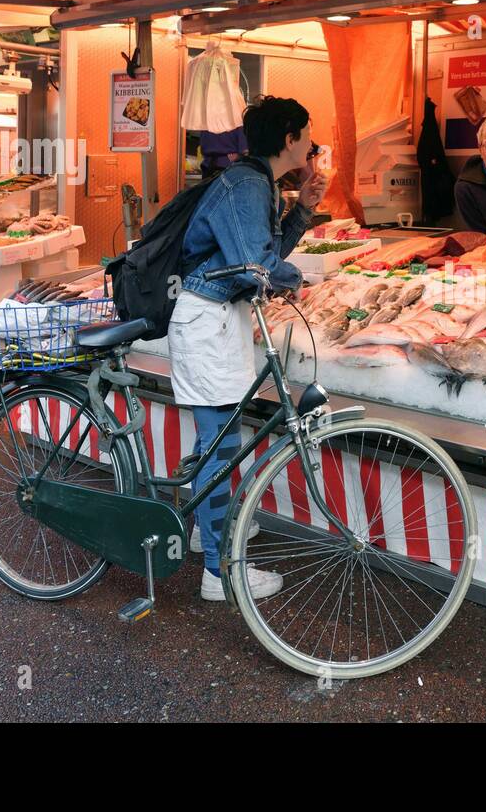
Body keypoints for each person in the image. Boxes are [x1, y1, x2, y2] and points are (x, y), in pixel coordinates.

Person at [170, 96, 329, 602]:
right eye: (307, 133)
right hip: (207, 320)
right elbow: (253, 266)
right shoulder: (245, 184)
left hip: (221, 319)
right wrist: (300, 279)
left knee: (215, 440)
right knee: (218, 446)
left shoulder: (257, 182)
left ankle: (203, 532)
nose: (311, 141)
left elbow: (260, 256)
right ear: (289, 138)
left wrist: (301, 209)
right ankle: (220, 573)